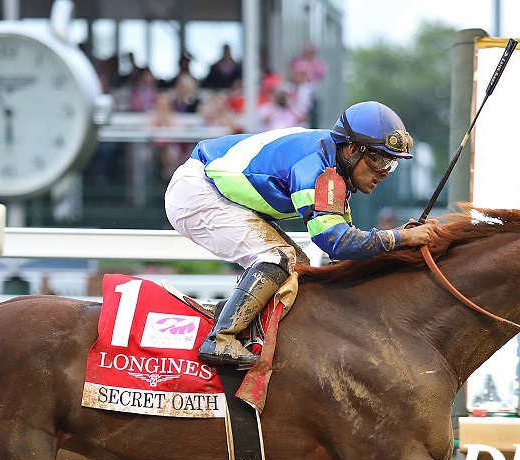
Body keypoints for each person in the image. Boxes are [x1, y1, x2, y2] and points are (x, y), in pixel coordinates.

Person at [164, 101, 440, 368]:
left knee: (300, 265)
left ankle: (259, 335)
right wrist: (401, 239)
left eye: (392, 164)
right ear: (352, 149)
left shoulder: (334, 165)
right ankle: (221, 338)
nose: (384, 173)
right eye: (380, 160)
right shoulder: (318, 170)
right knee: (277, 257)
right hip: (197, 192)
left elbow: (347, 246)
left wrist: (397, 239)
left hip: (211, 189)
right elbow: (336, 243)